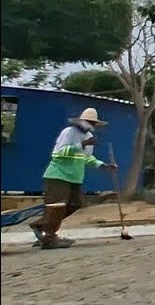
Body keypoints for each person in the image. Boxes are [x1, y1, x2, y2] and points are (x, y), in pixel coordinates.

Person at [29, 107, 116, 249]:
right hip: (58, 175)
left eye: (93, 123)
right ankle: (50, 237)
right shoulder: (68, 133)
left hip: (75, 177)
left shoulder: (88, 137)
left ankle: (42, 226)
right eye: (89, 122)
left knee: (76, 204)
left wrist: (103, 165)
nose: (90, 125)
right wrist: (80, 145)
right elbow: (59, 153)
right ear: (82, 121)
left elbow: (87, 158)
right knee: (57, 206)